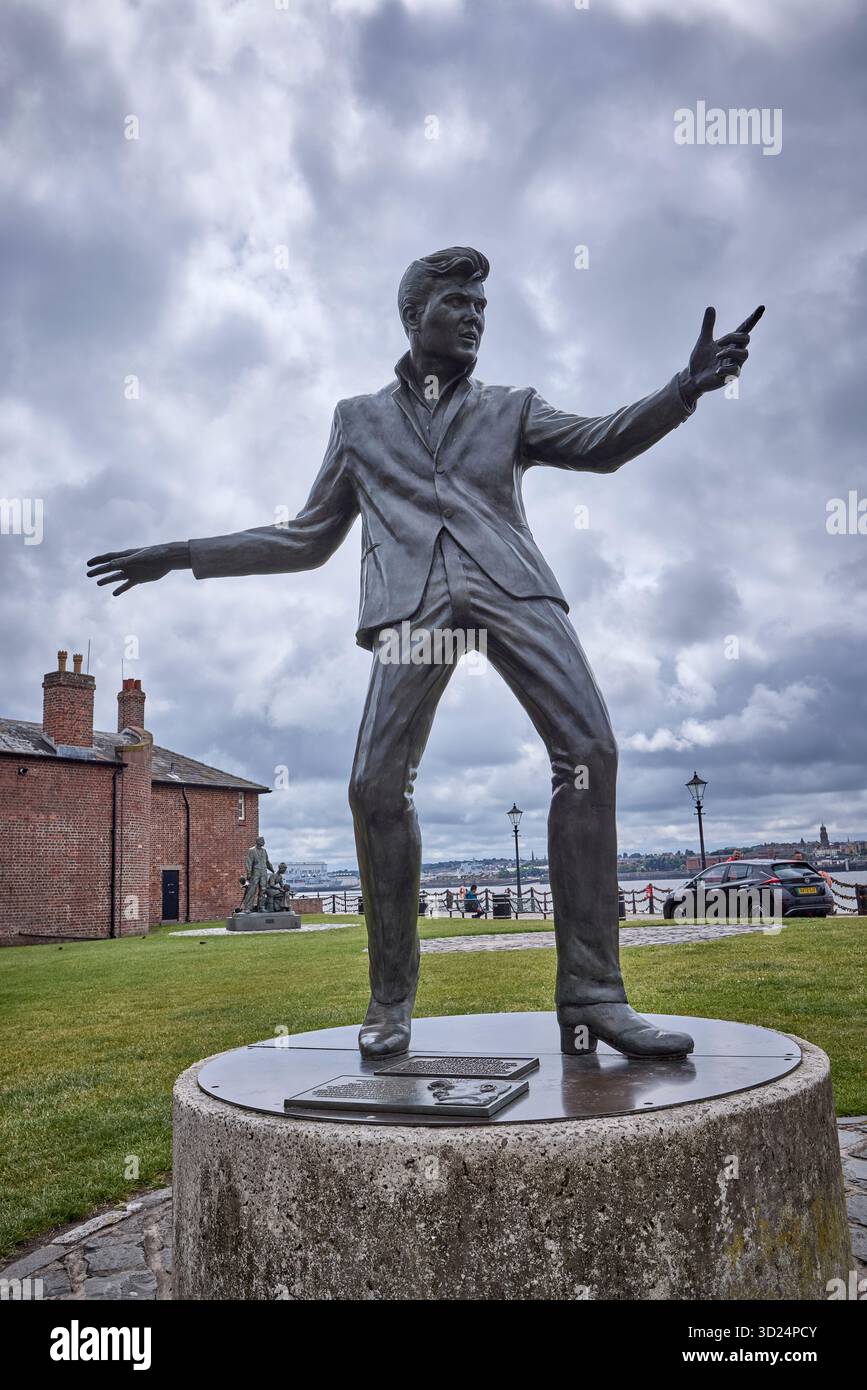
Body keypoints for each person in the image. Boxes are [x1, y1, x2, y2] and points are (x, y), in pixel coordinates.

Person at [87, 245, 762, 1060]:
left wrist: (685, 388)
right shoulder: (358, 420)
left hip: (512, 591)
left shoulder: (511, 408)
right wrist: (182, 553)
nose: (474, 317)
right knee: (374, 786)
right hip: (413, 609)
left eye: (481, 307)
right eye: (458, 304)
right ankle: (389, 1001)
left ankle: (592, 996)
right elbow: (306, 538)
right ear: (414, 316)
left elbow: (600, 442)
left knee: (590, 753)